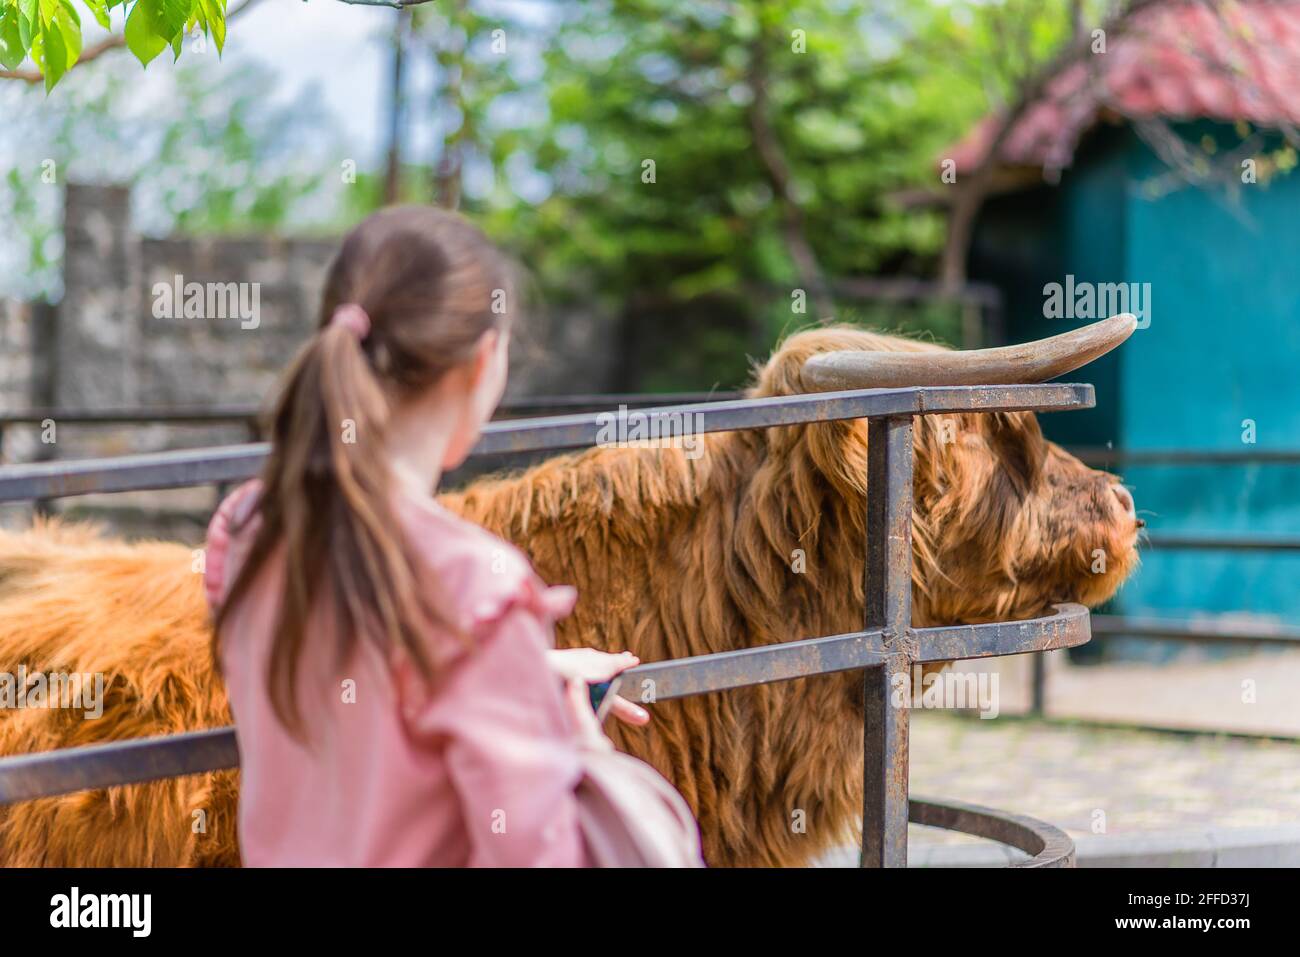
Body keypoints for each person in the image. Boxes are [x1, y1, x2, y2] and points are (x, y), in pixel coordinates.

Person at [204, 206, 651, 866]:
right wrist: (571, 731)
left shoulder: (247, 527)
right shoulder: (478, 586)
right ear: (483, 362)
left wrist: (518, 672)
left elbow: (347, 673)